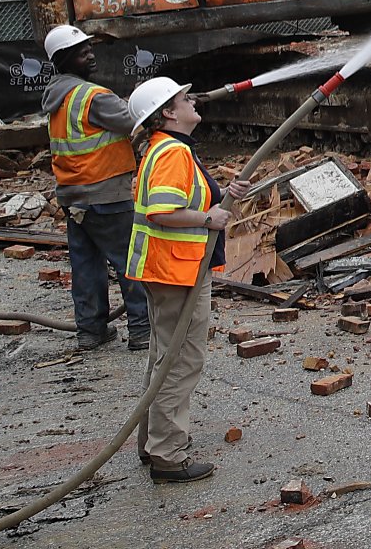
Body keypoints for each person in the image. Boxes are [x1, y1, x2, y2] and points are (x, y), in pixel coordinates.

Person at [124, 77, 232, 484]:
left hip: (171, 270)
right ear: (168, 112)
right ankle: (168, 455)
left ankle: (153, 444)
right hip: (176, 273)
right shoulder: (172, 151)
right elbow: (163, 211)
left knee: (164, 356)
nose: (193, 101)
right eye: (185, 99)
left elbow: (181, 199)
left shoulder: (170, 147)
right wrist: (208, 218)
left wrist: (223, 195)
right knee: (180, 360)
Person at [41, 24, 150, 352]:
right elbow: (134, 119)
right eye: (82, 53)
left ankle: (90, 331)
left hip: (73, 196)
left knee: (86, 265)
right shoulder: (92, 96)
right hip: (105, 193)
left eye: (90, 50)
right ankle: (142, 330)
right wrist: (156, 100)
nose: (90, 56)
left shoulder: (58, 96)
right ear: (63, 60)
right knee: (130, 260)